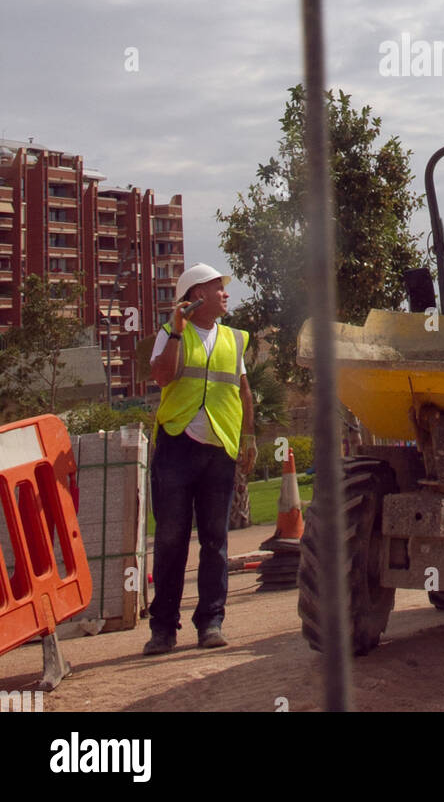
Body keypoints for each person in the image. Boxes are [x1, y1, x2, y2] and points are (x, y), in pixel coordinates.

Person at [143, 263, 256, 656]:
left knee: (216, 540)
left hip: (219, 451)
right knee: (171, 540)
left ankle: (211, 622)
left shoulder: (233, 339)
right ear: (196, 296)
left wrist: (249, 437)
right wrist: (176, 327)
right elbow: (162, 376)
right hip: (176, 447)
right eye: (217, 287)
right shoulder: (171, 334)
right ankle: (163, 630)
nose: (225, 293)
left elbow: (243, 391)